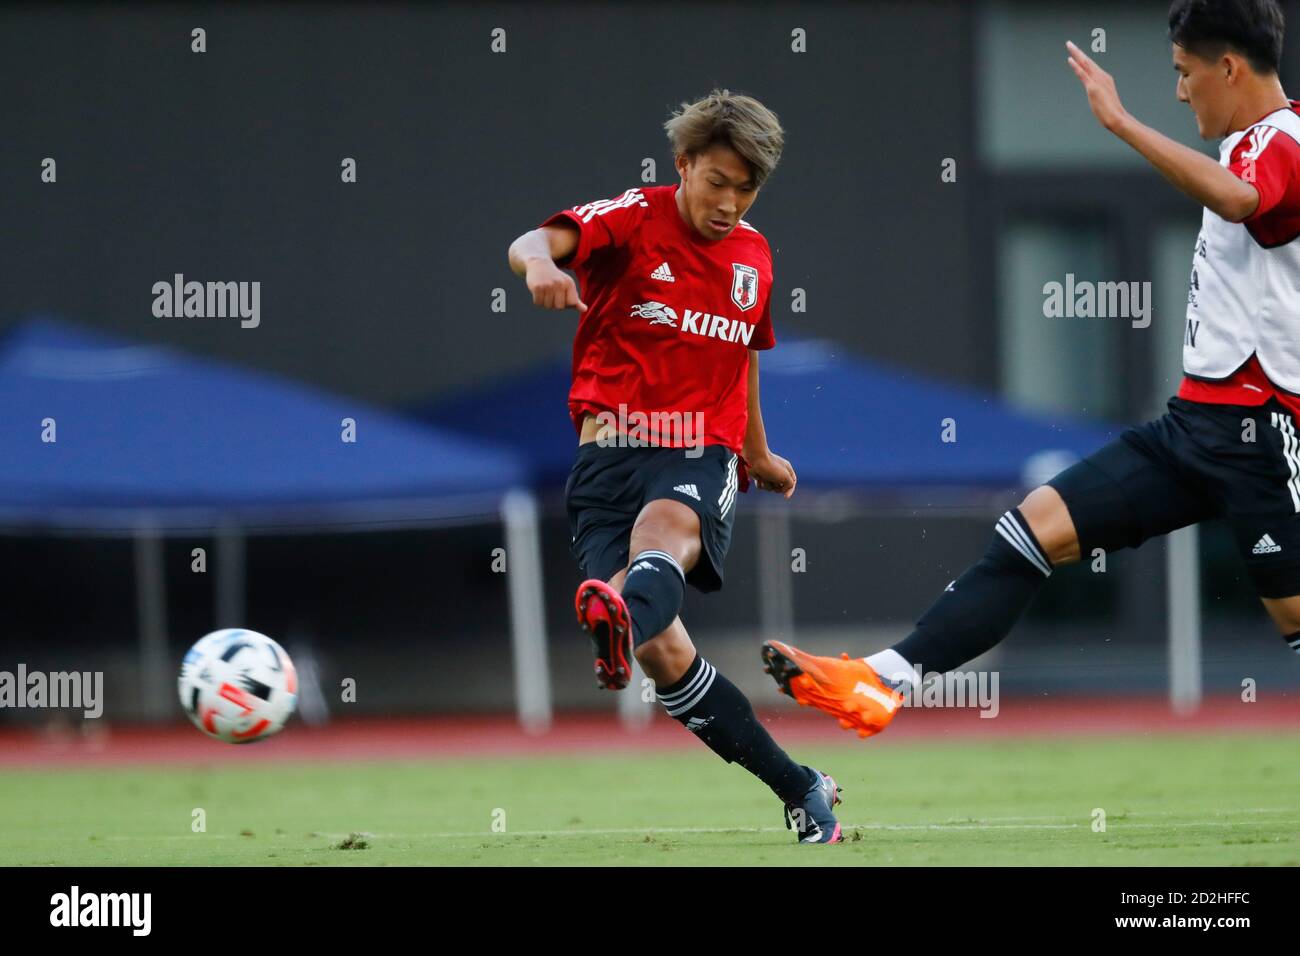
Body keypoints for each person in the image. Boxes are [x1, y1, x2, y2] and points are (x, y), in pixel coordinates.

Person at [763, 0, 1300, 739]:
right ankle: (882, 682)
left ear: (1230, 68)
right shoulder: (1250, 143)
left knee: (1293, 616)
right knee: (1033, 528)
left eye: (1183, 73)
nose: (1178, 92)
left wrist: (1120, 123)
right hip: (1193, 425)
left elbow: (1242, 202)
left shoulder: (1283, 138)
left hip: (1258, 431)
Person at [507, 90, 843, 843]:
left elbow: (744, 355)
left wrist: (755, 452)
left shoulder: (754, 255)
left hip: (697, 447)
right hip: (603, 456)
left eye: (746, 188)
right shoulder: (633, 218)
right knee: (664, 654)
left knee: (664, 533)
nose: (729, 202)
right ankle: (800, 785)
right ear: (683, 165)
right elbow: (535, 239)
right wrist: (536, 268)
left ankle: (620, 609)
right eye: (716, 181)